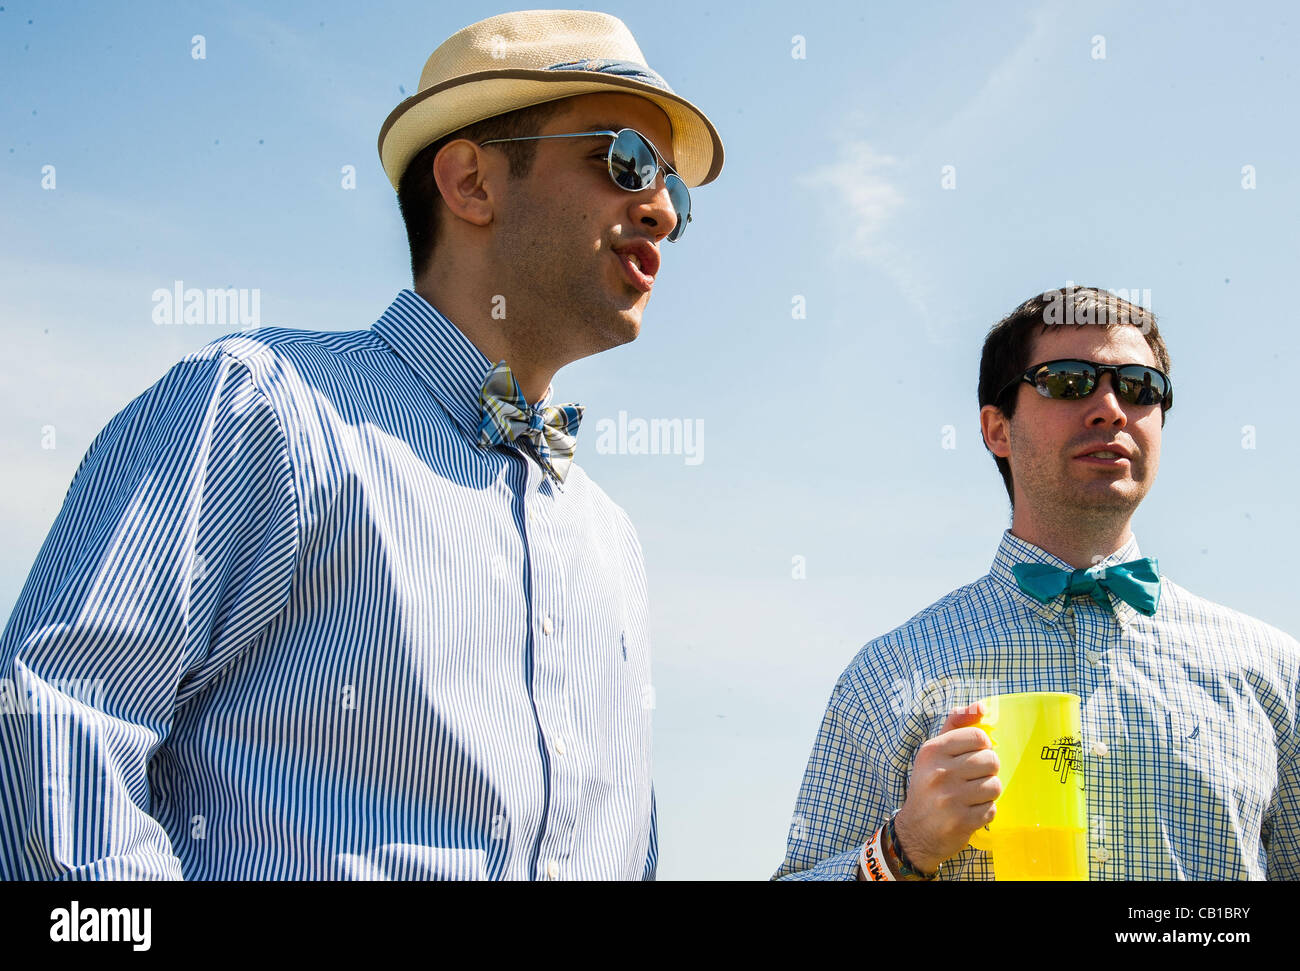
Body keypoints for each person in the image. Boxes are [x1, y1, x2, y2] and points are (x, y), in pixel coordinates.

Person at [0, 9, 723, 880]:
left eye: (675, 195)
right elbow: (54, 734)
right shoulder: (264, 410)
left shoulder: (613, 545)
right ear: (470, 181)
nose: (659, 211)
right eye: (626, 161)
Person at [774, 286, 1300, 881]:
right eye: (1070, 380)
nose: (1111, 409)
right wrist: (907, 844)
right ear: (997, 429)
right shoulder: (889, 674)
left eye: (1139, 387)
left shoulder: (1274, 672)